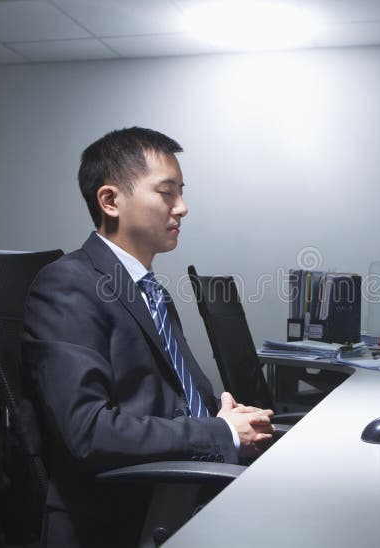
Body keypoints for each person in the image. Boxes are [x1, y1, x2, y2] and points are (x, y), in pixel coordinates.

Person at [22, 127, 275, 547]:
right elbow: (88, 431)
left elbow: (164, 398)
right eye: (166, 192)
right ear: (110, 201)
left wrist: (222, 411)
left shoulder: (147, 290)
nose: (183, 208)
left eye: (182, 192)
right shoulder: (68, 285)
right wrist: (221, 433)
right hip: (126, 516)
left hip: (178, 493)